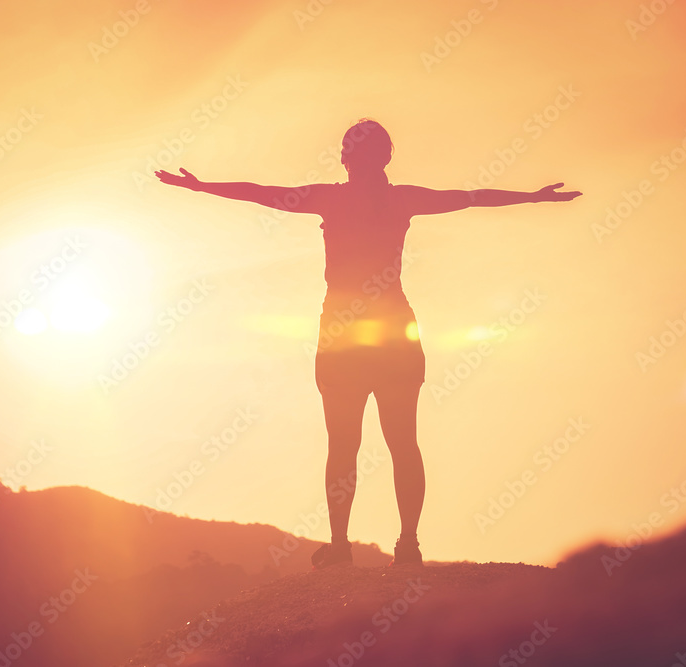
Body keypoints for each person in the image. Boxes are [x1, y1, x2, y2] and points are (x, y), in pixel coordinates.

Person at [155, 118, 580, 569]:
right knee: (403, 442)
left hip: (344, 332)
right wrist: (532, 196)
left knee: (344, 445)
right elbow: (470, 197)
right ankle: (408, 545)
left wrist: (202, 187)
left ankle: (341, 547)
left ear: (346, 158)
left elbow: (264, 193)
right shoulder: (401, 199)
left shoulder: (331, 198)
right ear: (386, 157)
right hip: (395, 329)